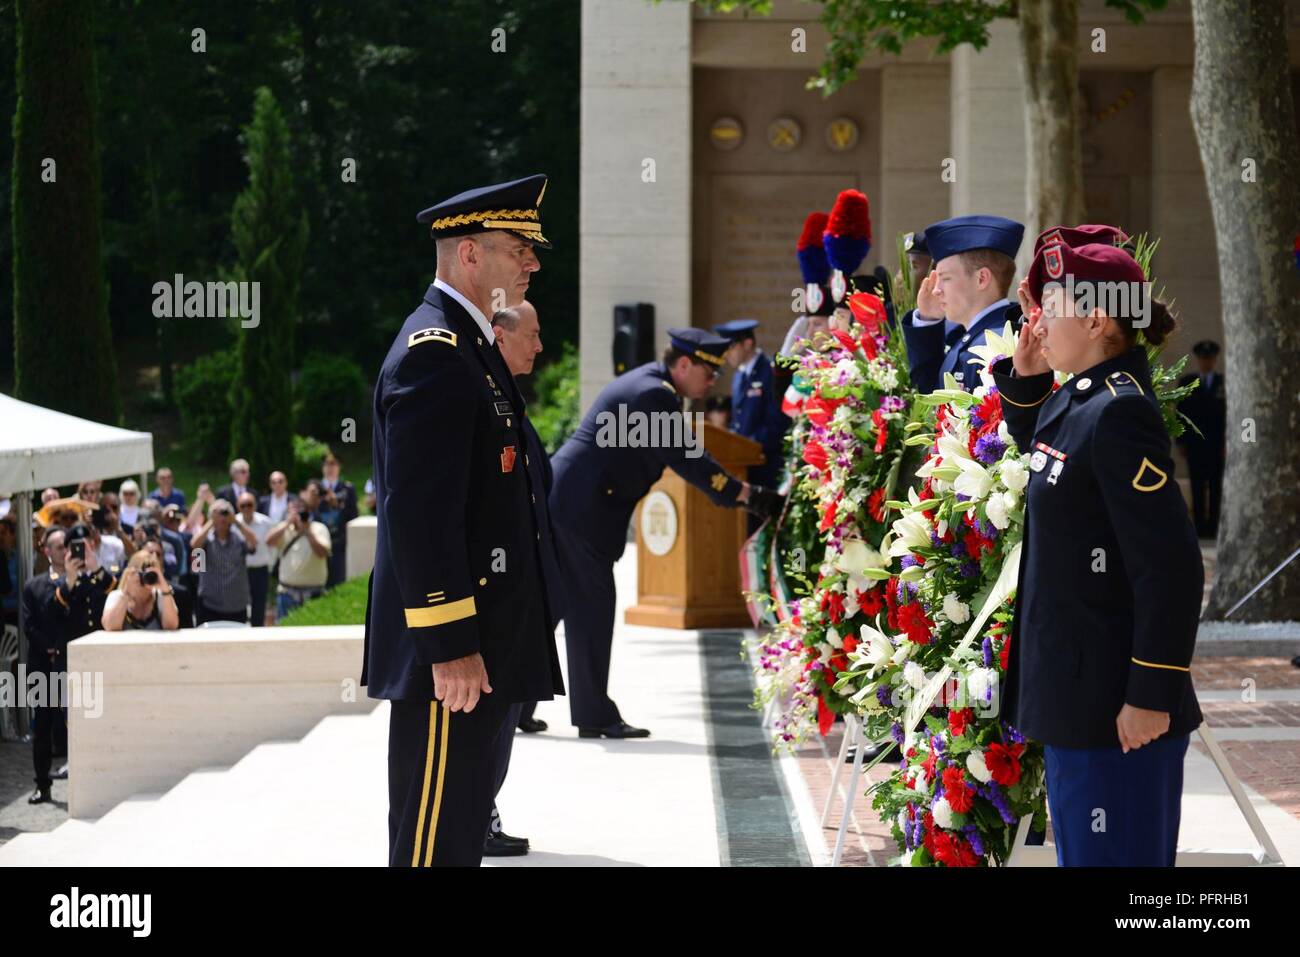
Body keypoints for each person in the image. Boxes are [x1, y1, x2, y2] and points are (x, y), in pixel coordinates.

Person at [365, 174, 564, 867]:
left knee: (455, 837)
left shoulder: (469, 349)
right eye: (519, 248)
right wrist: (449, 641)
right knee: (433, 847)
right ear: (470, 255)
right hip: (450, 659)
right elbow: (420, 516)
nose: (533, 263)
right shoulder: (436, 355)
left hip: (478, 651)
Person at [991, 236, 1203, 867]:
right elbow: (1055, 466)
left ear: (1095, 318)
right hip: (1079, 705)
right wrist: (1027, 384)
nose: (1035, 321)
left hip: (1118, 715)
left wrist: (1150, 694)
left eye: (1048, 304)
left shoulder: (1119, 413)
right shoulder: (1078, 398)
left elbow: (1171, 567)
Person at [549, 328, 784, 738]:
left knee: (549, 607)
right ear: (684, 365)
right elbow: (690, 461)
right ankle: (594, 715)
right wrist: (749, 495)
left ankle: (512, 703)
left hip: (570, 506)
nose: (713, 383)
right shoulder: (652, 396)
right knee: (591, 611)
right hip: (581, 513)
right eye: (708, 373)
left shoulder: (650, 386)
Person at [484, 300, 568, 857]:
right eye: (532, 335)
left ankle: (483, 810)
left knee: (507, 718)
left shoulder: (511, 400)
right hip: (497, 600)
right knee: (491, 722)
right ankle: (478, 815)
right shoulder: (486, 399)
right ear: (501, 334)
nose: (540, 346)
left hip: (523, 593)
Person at [25, 524, 115, 802]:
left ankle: (87, 778)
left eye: (69, 546)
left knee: (78, 722)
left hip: (73, 662)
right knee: (42, 727)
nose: (66, 551)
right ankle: (42, 783)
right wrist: (49, 648)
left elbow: (106, 592)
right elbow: (32, 624)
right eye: (59, 547)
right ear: (46, 551)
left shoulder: (85, 581)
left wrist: (90, 566)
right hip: (44, 663)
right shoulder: (35, 584)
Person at [900, 214, 1025, 394]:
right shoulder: (975, 334)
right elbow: (929, 390)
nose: (936, 290)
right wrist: (928, 319)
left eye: (946, 278)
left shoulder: (1000, 344)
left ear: (981, 278)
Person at [715, 318, 789, 495]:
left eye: (730, 347)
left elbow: (777, 424)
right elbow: (738, 421)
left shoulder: (770, 372)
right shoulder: (739, 376)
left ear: (747, 343)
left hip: (767, 465)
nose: (726, 354)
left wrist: (746, 444)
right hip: (743, 464)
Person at [1177, 340, 1226, 539]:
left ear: (1215, 360)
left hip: (1216, 445)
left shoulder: (1223, 383)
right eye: (1204, 358)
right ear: (1198, 360)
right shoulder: (1187, 382)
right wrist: (1180, 441)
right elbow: (1180, 413)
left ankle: (1214, 528)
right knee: (1197, 487)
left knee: (1216, 488)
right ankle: (1199, 528)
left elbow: (1229, 416)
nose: (1207, 362)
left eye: (1210, 358)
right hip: (1195, 444)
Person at [267, 489, 332, 620]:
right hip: (287, 594)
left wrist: (307, 531)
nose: (298, 514)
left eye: (301, 510)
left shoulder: (319, 528)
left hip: (314, 594)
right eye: (293, 510)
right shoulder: (283, 529)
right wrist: (287, 523)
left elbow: (322, 553)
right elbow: (268, 541)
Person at [191, 498, 256, 624]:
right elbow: (194, 545)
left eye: (225, 514)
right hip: (210, 604)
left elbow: (253, 541)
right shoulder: (207, 540)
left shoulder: (238, 539)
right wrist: (211, 521)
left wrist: (235, 521)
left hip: (236, 604)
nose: (222, 519)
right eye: (218, 515)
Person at [101, 550, 179, 631]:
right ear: (130, 574)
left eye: (151, 574)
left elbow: (171, 626)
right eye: (142, 573)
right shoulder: (117, 596)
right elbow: (110, 627)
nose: (147, 577)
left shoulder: (162, 596)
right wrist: (127, 593)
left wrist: (165, 589)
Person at [317, 453, 359, 588]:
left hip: (339, 542)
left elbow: (353, 516)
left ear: (339, 467)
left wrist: (338, 505)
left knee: (338, 582)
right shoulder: (315, 488)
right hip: (318, 540)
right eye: (327, 464)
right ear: (322, 467)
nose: (330, 468)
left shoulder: (347, 488)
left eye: (333, 464)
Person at [237, 493, 276, 626]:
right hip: (240, 571)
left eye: (249, 505)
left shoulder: (266, 522)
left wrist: (270, 563)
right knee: (239, 603)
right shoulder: (234, 523)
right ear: (238, 507)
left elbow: (273, 546)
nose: (246, 508)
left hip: (260, 569)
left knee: (259, 605)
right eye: (243, 505)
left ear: (255, 506)